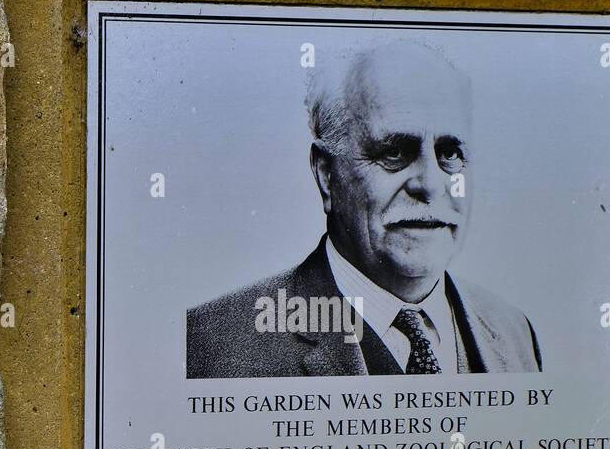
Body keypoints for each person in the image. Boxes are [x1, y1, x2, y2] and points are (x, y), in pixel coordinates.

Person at [186, 39, 541, 378]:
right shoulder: (213, 344)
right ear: (326, 175)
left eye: (449, 154)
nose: (430, 185)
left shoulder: (514, 332)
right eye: (394, 153)